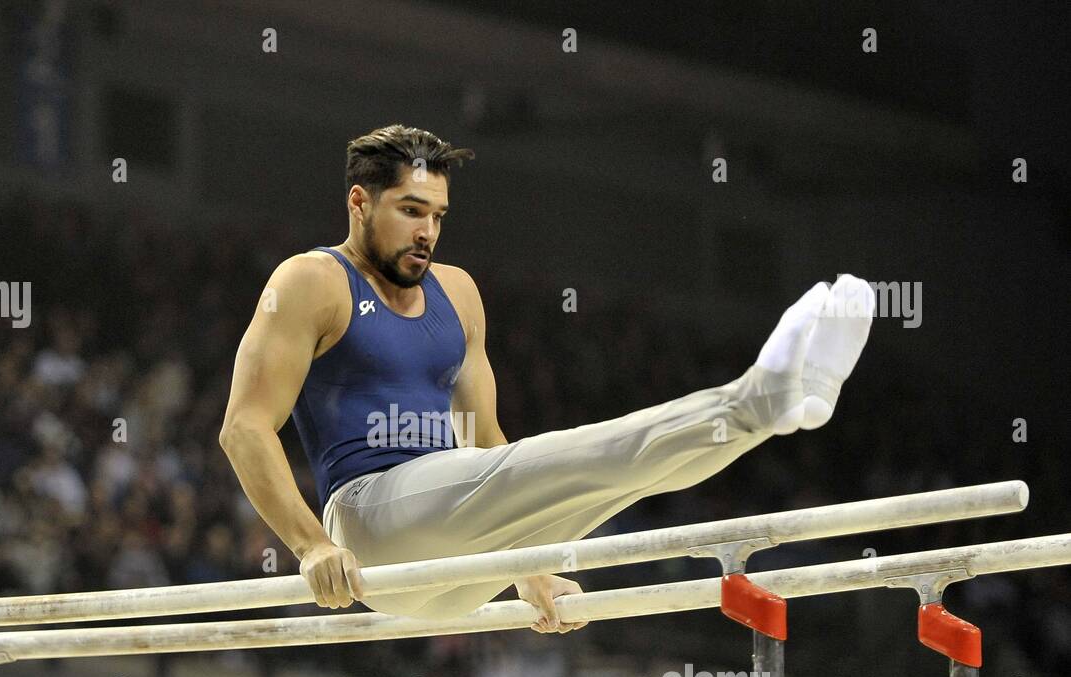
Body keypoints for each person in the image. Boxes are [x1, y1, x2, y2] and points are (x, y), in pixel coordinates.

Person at [220, 124, 874, 630]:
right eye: (411, 211)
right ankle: (758, 399)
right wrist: (308, 545)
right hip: (372, 527)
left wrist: (529, 569)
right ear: (359, 203)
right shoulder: (310, 282)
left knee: (613, 475)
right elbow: (244, 427)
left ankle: (777, 409)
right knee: (584, 456)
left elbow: (491, 448)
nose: (427, 233)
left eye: (439, 216)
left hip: (453, 563)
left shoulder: (459, 294)